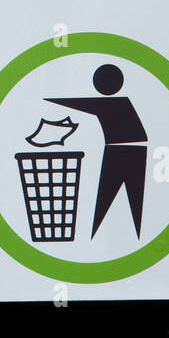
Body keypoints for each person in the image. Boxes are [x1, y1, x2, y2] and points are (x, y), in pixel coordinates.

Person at [47, 64, 148, 239]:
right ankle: (129, 236)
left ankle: (129, 236)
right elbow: (89, 105)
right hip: (132, 150)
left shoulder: (116, 103)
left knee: (113, 198)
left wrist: (53, 100)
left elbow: (86, 104)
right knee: (123, 199)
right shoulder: (122, 103)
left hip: (121, 151)